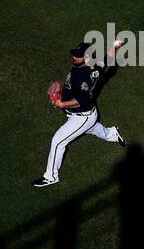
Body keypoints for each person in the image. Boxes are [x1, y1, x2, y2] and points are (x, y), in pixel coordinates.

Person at [35, 38, 126, 187]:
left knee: (58, 141)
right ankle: (112, 134)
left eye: (78, 55)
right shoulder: (94, 65)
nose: (74, 57)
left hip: (82, 117)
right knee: (93, 129)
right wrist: (115, 46)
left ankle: (51, 176)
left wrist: (61, 103)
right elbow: (109, 59)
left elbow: (80, 100)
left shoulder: (84, 76)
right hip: (87, 114)